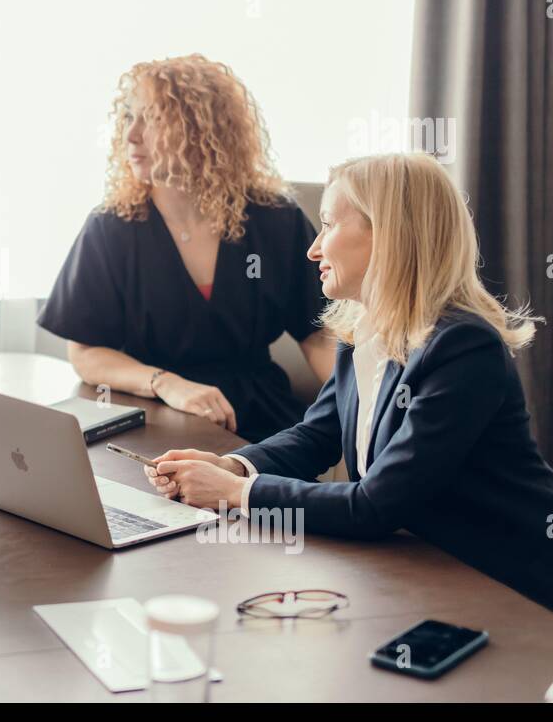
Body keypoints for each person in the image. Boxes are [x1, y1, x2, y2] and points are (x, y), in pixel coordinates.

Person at [144, 153, 553, 633]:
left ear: (389, 235)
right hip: (424, 574)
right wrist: (234, 466)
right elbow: (315, 436)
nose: (313, 249)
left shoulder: (464, 349)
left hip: (521, 595)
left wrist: (238, 493)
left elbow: (374, 506)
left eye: (328, 225)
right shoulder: (364, 333)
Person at [39, 54, 334, 443]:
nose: (131, 136)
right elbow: (86, 352)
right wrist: (166, 383)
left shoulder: (276, 219)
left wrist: (366, 411)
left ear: (203, 130)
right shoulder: (112, 227)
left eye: (153, 119)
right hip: (152, 415)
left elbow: (318, 334)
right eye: (129, 117)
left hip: (256, 420)